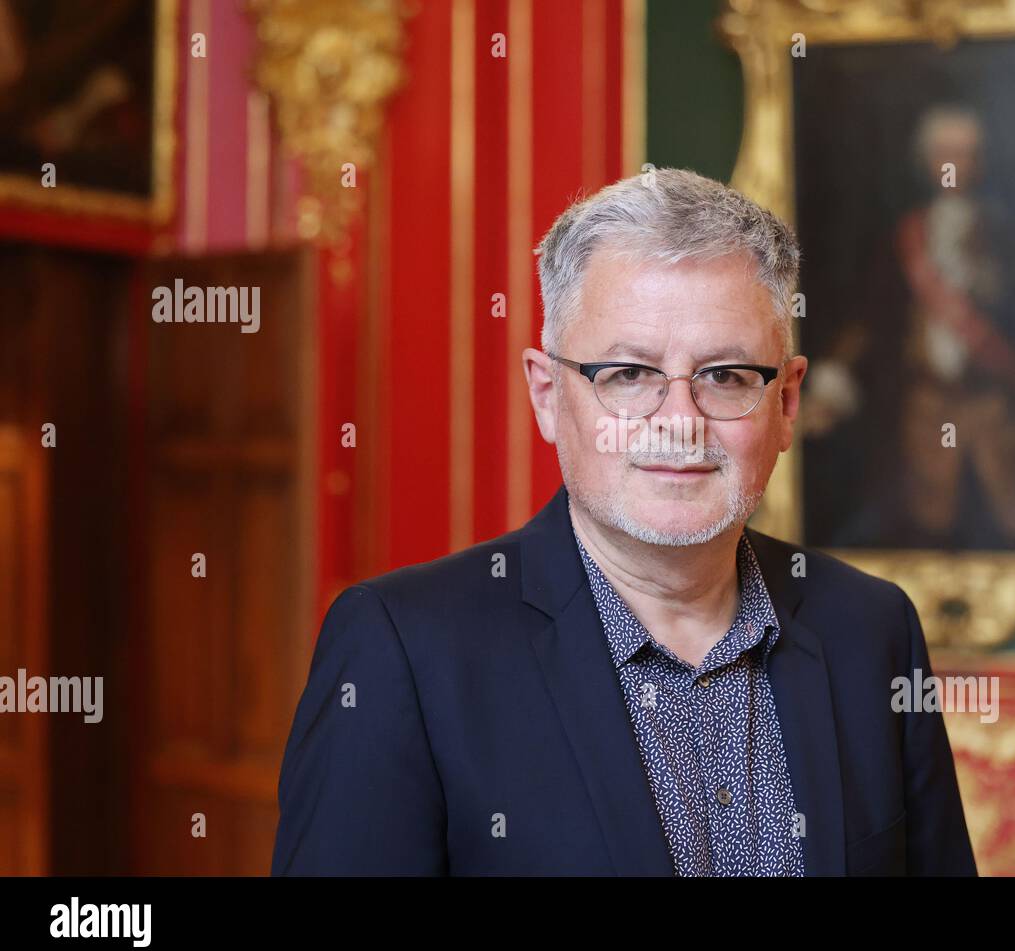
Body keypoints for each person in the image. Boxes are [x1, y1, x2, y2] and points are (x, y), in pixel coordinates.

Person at [271, 167, 977, 876]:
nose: (678, 422)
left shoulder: (872, 630)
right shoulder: (403, 652)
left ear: (787, 401)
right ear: (547, 395)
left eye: (726, 374)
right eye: (629, 374)